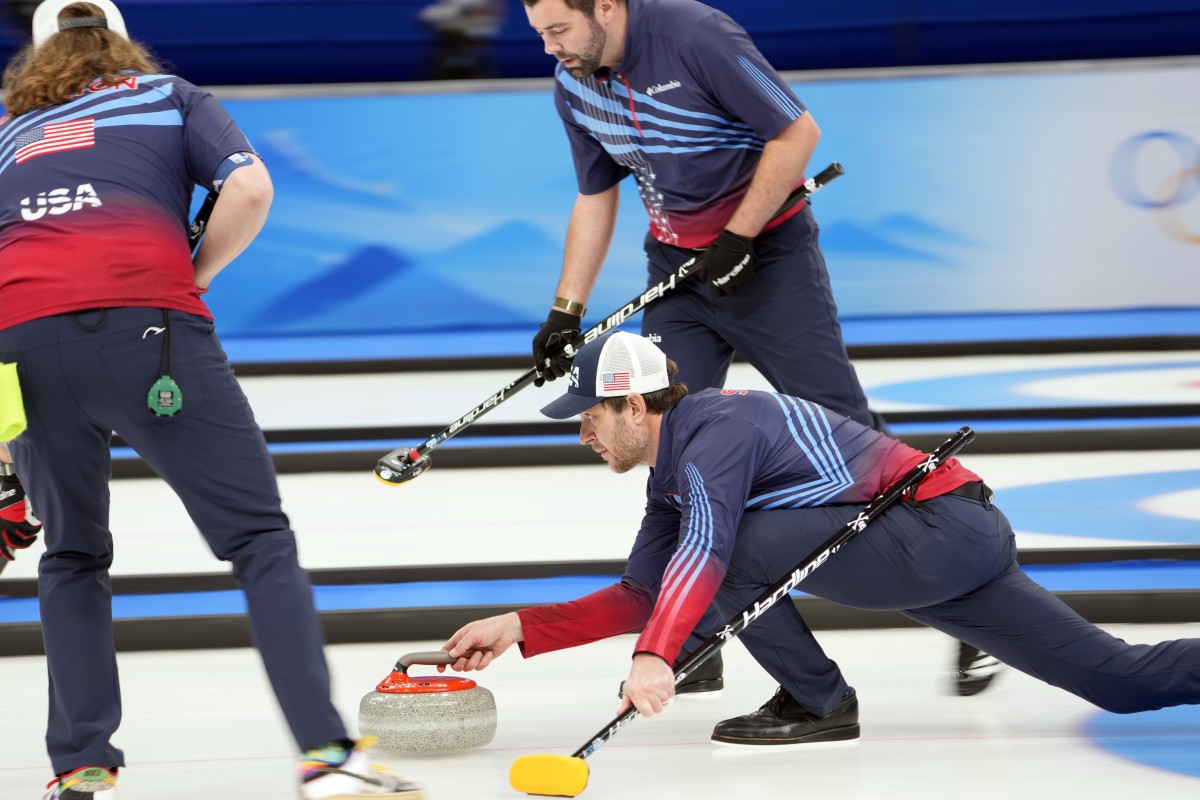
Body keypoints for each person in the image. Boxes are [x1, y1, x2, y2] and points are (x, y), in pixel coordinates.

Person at [0, 3, 420, 797]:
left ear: (38, 54)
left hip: (19, 344)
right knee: (259, 539)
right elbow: (250, 189)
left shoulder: (9, 133)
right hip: (148, 329)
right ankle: (327, 758)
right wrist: (189, 278)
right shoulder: (169, 96)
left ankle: (80, 768)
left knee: (73, 555)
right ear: (121, 42)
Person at [520, 0, 994, 698]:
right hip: (679, 273)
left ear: (607, 7)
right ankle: (689, 635)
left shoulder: (694, 35)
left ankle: (972, 600)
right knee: (664, 438)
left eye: (559, 30)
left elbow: (797, 132)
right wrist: (566, 310)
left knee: (851, 440)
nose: (549, 48)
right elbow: (595, 196)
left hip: (770, 262)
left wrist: (740, 235)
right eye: (539, 33)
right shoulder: (574, 82)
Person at [441, 331, 1200, 745]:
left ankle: (819, 702)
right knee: (1119, 683)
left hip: (935, 530)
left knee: (726, 549)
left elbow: (708, 553)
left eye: (589, 418)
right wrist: (520, 626)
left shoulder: (717, 431)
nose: (582, 436)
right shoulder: (671, 478)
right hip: (945, 541)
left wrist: (654, 657)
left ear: (633, 406)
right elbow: (646, 593)